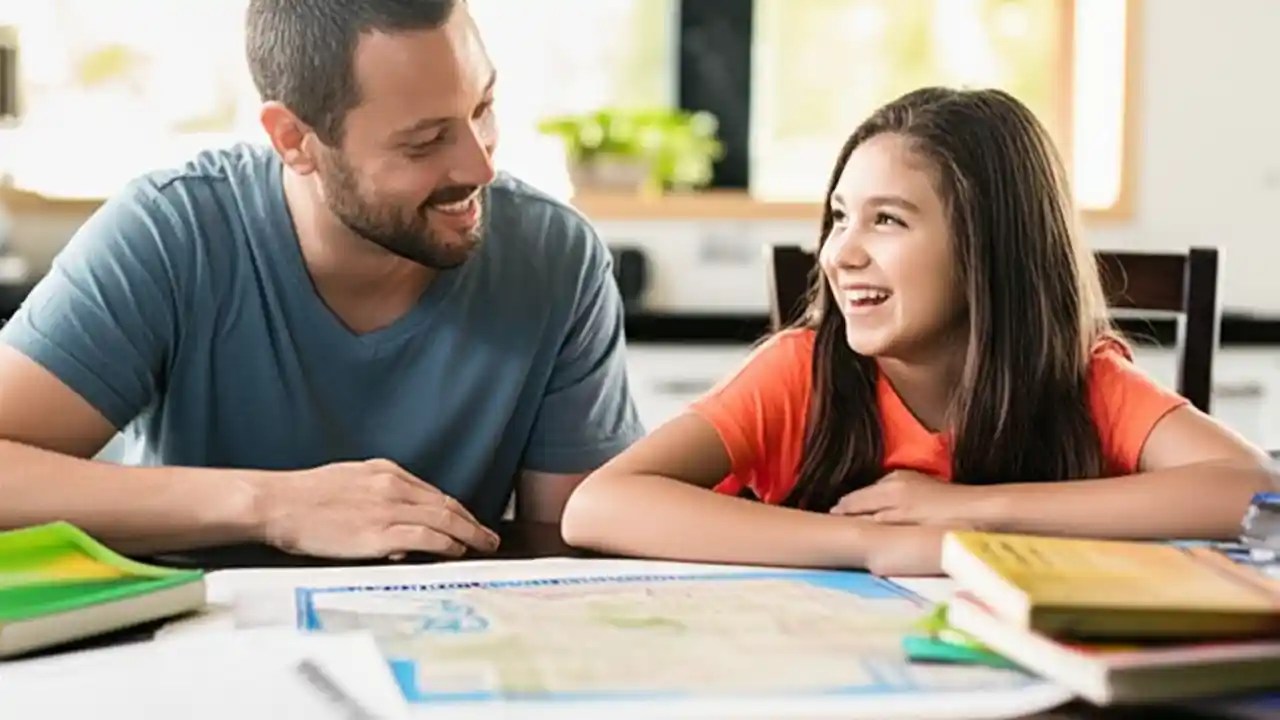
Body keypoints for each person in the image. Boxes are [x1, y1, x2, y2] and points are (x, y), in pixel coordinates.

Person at [0, 0, 642, 560]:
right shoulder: (172, 235)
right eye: (424, 143)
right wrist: (272, 505)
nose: (479, 166)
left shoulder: (557, 259)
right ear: (295, 140)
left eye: (483, 109)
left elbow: (578, 545)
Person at [560, 87, 1273, 576]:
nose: (841, 252)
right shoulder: (801, 373)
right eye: (841, 216)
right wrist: (871, 543)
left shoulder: (1081, 381)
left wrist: (972, 513)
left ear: (988, 248)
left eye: (888, 220)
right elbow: (598, 506)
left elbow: (1250, 488)